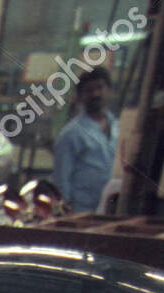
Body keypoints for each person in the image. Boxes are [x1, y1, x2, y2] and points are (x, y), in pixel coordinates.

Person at [51, 66, 117, 214]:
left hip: (113, 210)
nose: (96, 94)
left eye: (100, 88)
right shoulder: (70, 134)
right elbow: (61, 179)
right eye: (89, 90)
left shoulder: (119, 128)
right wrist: (66, 212)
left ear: (109, 90)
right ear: (80, 97)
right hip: (82, 212)